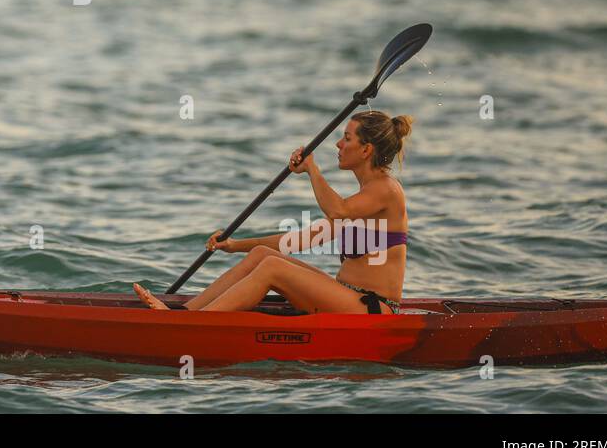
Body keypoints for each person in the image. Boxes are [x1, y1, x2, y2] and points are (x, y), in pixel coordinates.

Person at [133, 111, 413, 315]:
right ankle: (185, 314)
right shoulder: (363, 199)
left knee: (272, 268)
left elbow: (339, 211)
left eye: (347, 138)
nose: (338, 144)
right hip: (346, 298)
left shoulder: (386, 190)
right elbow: (295, 241)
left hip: (373, 310)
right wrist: (234, 245)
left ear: (366, 150)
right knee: (262, 256)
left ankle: (194, 324)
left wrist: (312, 169)